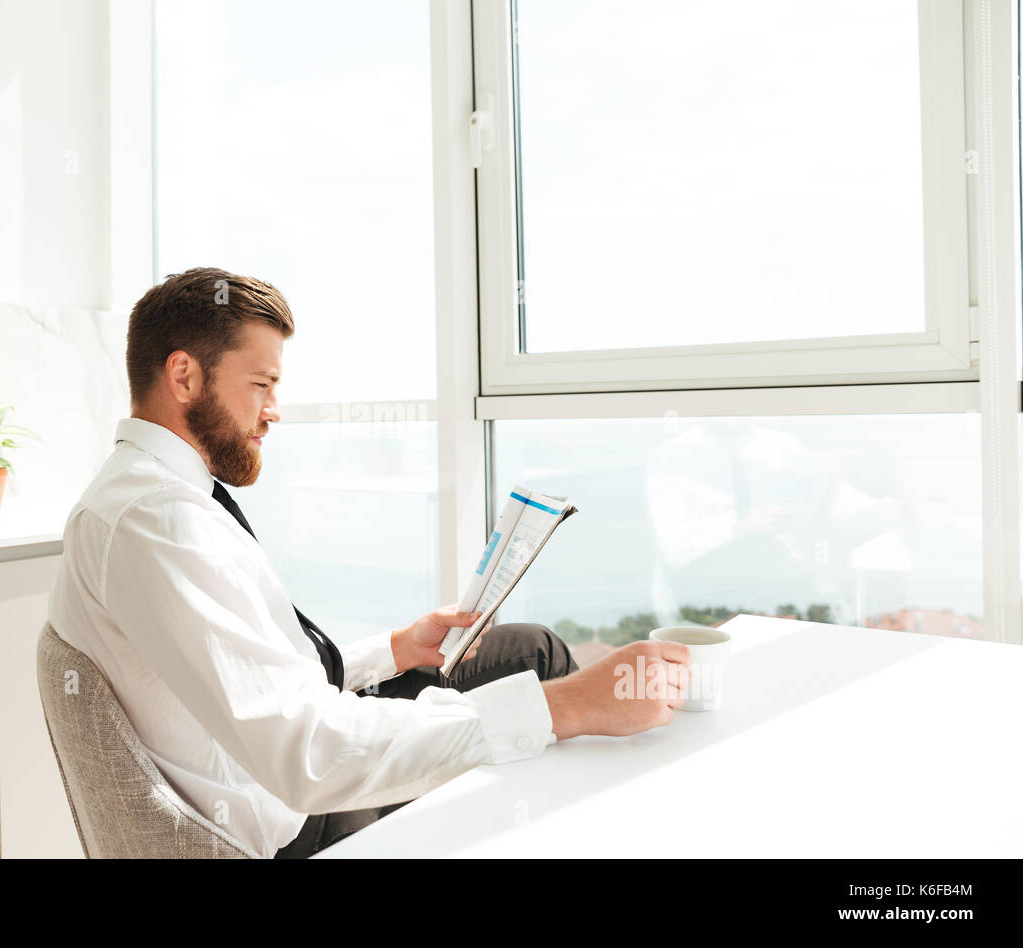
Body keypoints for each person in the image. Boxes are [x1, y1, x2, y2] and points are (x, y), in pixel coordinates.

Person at [47, 267, 691, 858]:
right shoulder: (158, 521)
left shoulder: (158, 494)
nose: (273, 411)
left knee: (529, 652)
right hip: (302, 818)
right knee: (549, 679)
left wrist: (396, 648)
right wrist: (567, 708)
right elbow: (306, 754)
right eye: (262, 384)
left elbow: (257, 676)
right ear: (183, 375)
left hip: (278, 775)